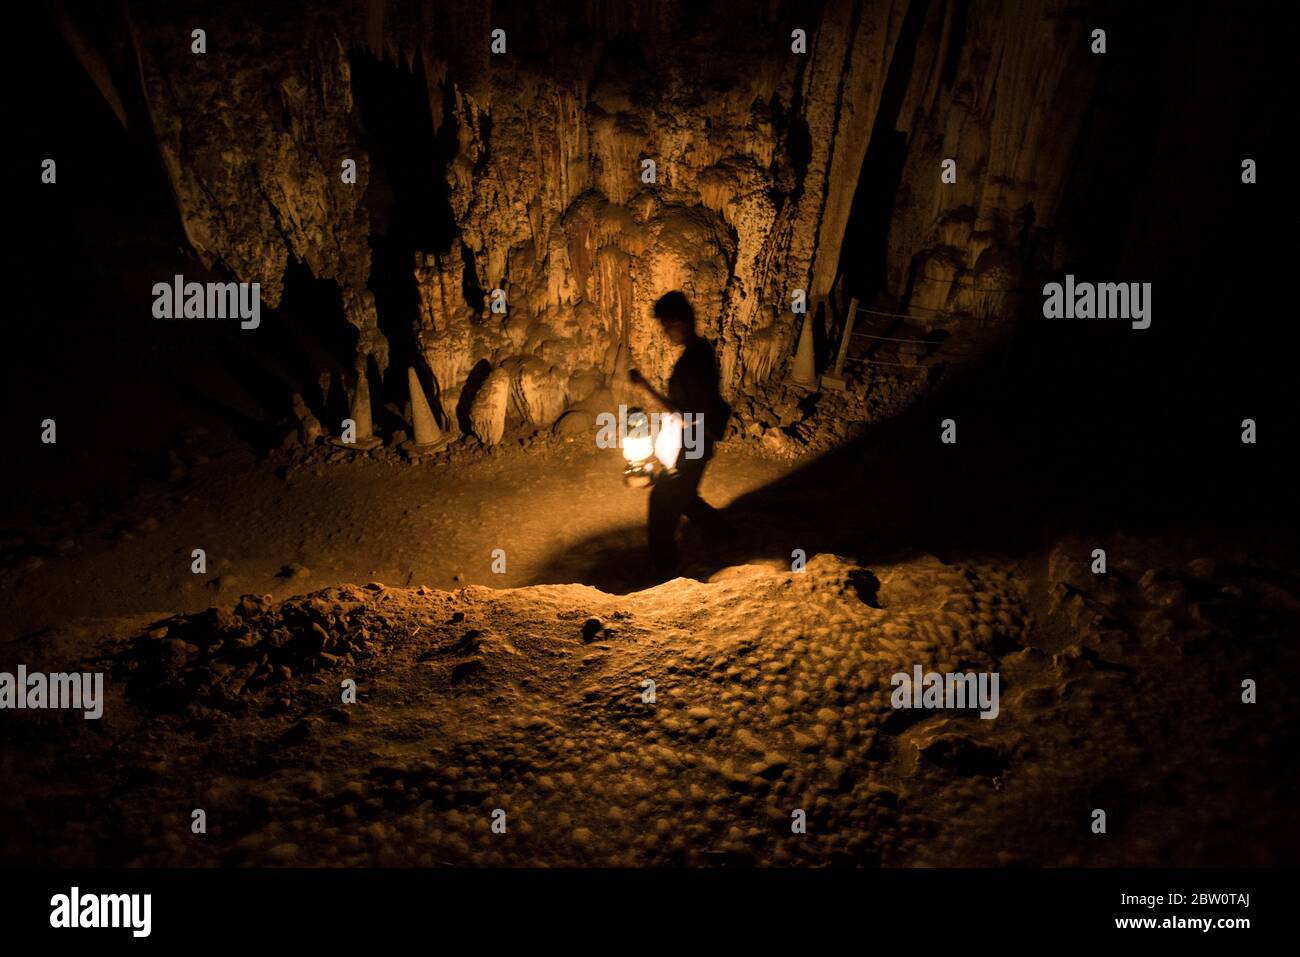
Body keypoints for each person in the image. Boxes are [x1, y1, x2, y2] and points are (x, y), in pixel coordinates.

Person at [628, 291, 733, 575]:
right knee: (685, 497)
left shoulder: (695, 361)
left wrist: (646, 388)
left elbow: (687, 413)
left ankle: (663, 569)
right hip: (697, 440)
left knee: (663, 502)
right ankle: (724, 533)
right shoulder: (700, 352)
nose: (664, 332)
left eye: (665, 325)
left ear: (679, 322)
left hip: (695, 442)